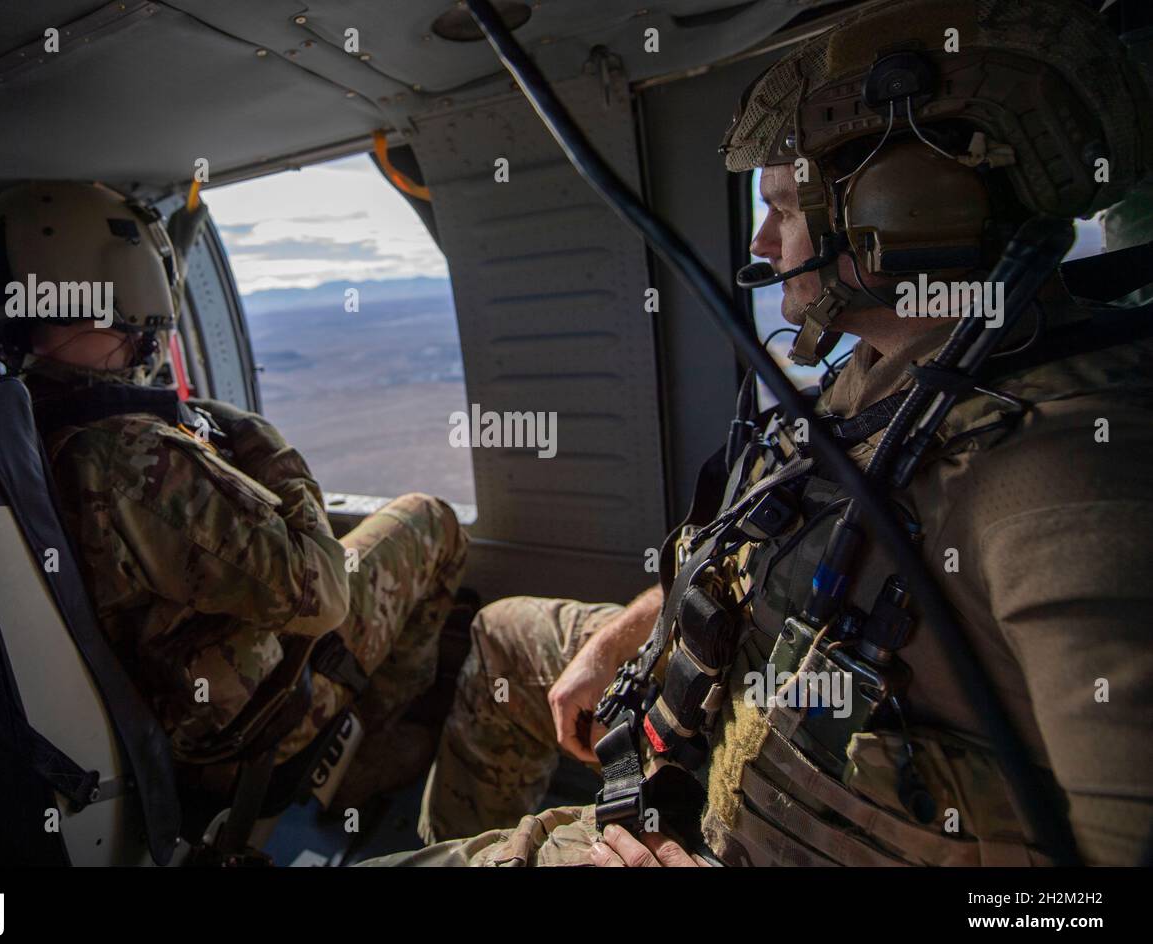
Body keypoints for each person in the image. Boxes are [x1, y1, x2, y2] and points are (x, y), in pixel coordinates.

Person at [389, 0, 1153, 866]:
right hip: (711, 696)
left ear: (907, 211)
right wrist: (627, 633)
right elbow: (746, 546)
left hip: (712, 835)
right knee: (502, 628)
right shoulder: (876, 387)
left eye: (783, 210)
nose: (759, 241)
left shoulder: (1069, 473)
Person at [0, 181, 469, 810]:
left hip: (136, 721)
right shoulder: (123, 454)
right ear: (129, 279)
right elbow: (327, 595)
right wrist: (267, 446)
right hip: (239, 730)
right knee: (432, 519)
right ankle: (365, 746)